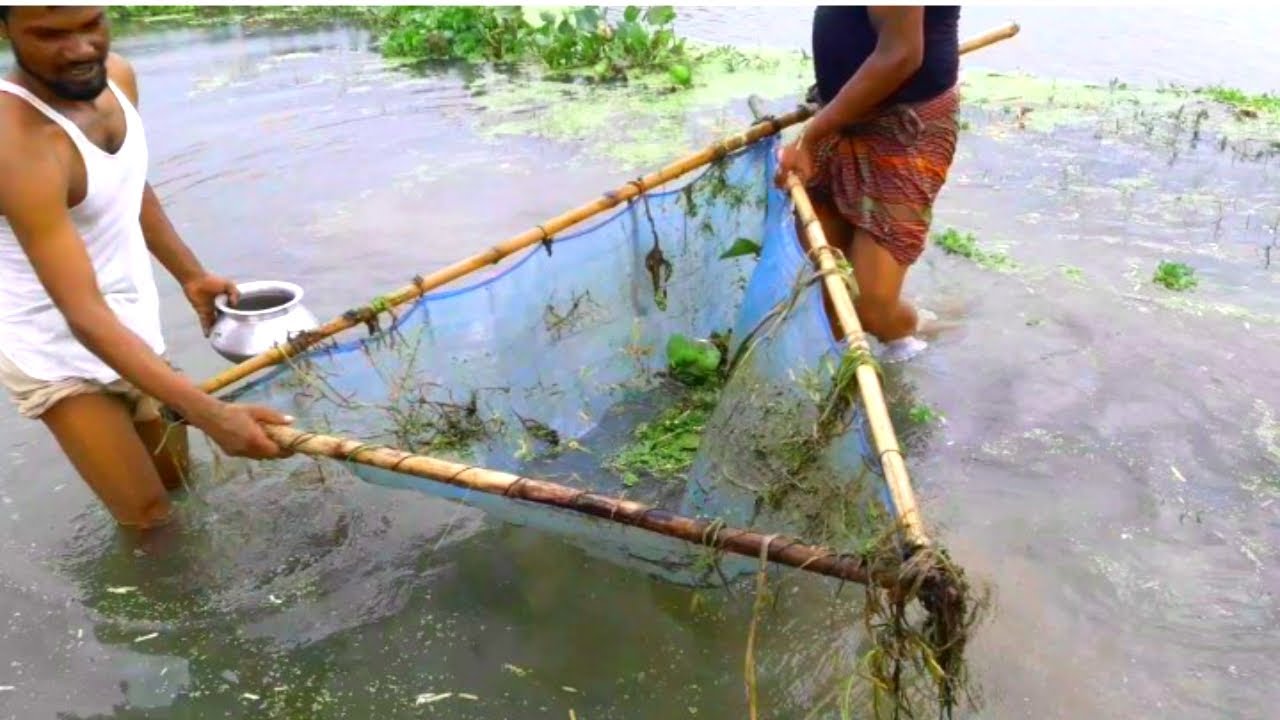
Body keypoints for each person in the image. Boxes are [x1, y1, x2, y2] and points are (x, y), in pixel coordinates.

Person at [0, 6, 294, 531]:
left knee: (181, 485)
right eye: (50, 35)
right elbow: (82, 314)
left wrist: (190, 274)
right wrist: (212, 414)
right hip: (55, 346)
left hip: (132, 324)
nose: (80, 48)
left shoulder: (118, 77)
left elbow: (127, 181)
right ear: (6, 32)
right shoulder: (15, 141)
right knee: (151, 520)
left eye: (91, 24)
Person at [776, 6, 961, 363]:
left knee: (869, 307)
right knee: (820, 289)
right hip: (839, 115)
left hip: (903, 132)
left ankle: (914, 330)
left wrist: (810, 137)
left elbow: (901, 53)